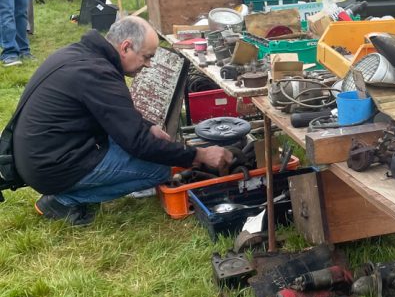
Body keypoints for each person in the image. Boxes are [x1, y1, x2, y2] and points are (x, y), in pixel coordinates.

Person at [10, 16, 233, 225]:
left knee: (141, 147)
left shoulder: (83, 56)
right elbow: (138, 144)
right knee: (158, 170)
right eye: (146, 57)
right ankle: (63, 201)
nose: (148, 65)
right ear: (125, 47)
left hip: (41, 155)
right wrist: (199, 154)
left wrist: (149, 127)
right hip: (51, 166)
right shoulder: (98, 73)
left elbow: (114, 114)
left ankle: (68, 190)